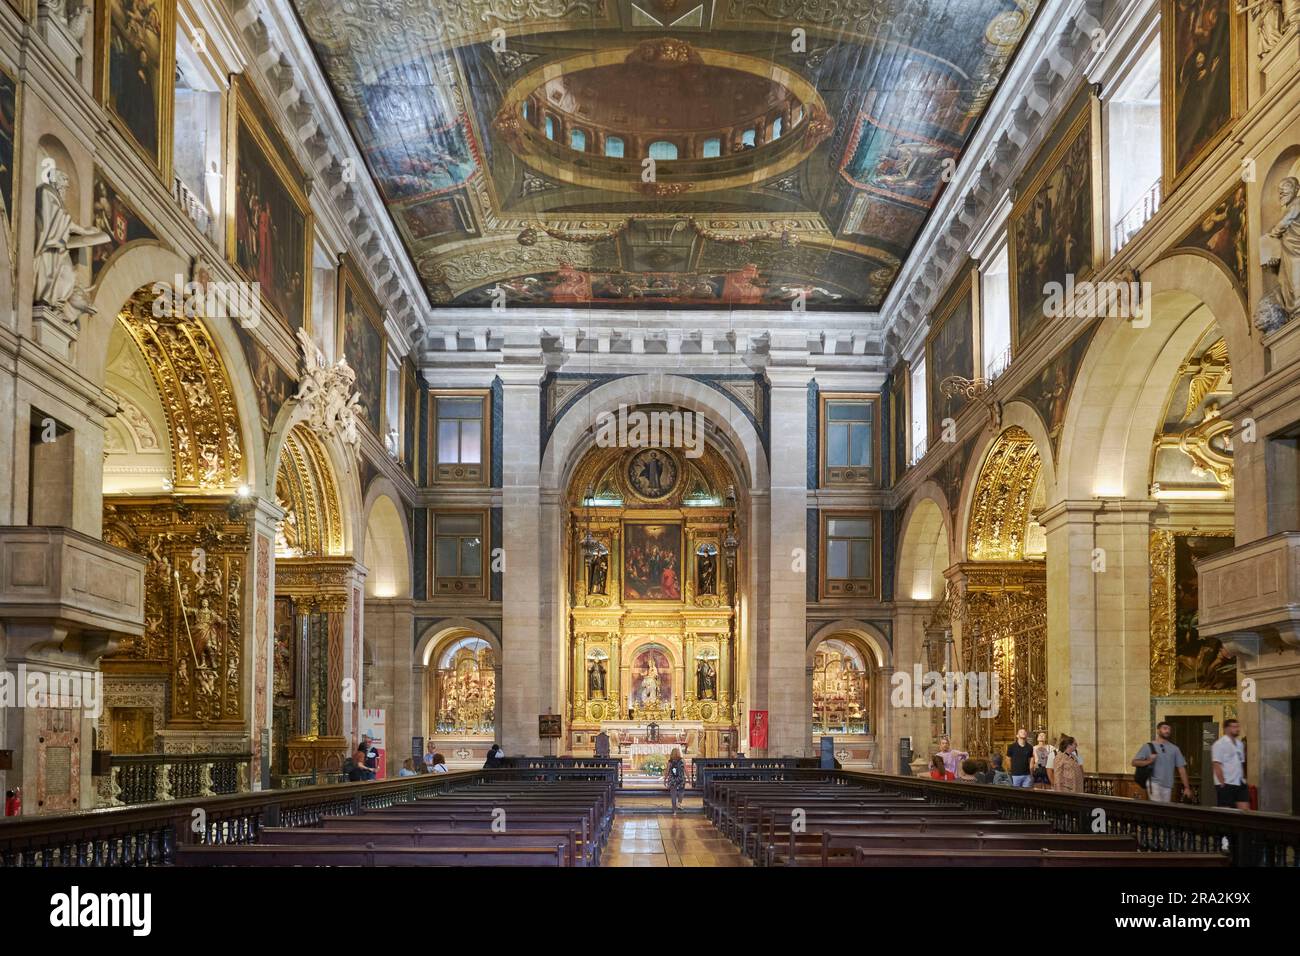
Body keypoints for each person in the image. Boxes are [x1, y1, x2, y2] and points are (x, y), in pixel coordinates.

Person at [1132, 721, 1193, 803]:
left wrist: (1187, 787)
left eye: (1169, 729)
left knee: (1164, 810)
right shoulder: (1148, 746)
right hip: (1153, 783)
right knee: (1158, 809)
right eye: (1165, 728)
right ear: (1158, 730)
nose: (1167, 731)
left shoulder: (1175, 749)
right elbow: (1134, 762)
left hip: (1168, 785)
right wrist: (1149, 761)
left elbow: (1181, 769)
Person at [1211, 718, 1249, 810]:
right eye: (1234, 727)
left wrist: (1244, 778)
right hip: (1226, 782)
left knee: (1245, 811)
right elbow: (1216, 764)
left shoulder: (1240, 744)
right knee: (1226, 811)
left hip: (1239, 782)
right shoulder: (1219, 744)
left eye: (1238, 726)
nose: (1237, 729)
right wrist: (1222, 782)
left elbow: (1241, 763)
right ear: (1226, 729)